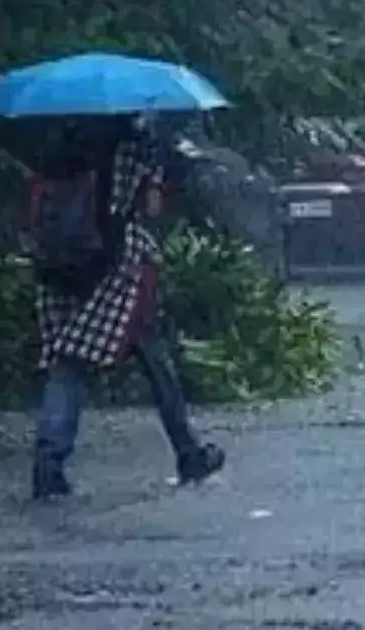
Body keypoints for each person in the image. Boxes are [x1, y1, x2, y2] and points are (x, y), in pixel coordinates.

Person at [31, 119, 225, 500]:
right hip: (120, 269)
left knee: (68, 362)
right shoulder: (136, 147)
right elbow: (150, 208)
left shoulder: (57, 145)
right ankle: (189, 452)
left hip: (63, 271)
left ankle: (48, 466)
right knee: (156, 359)